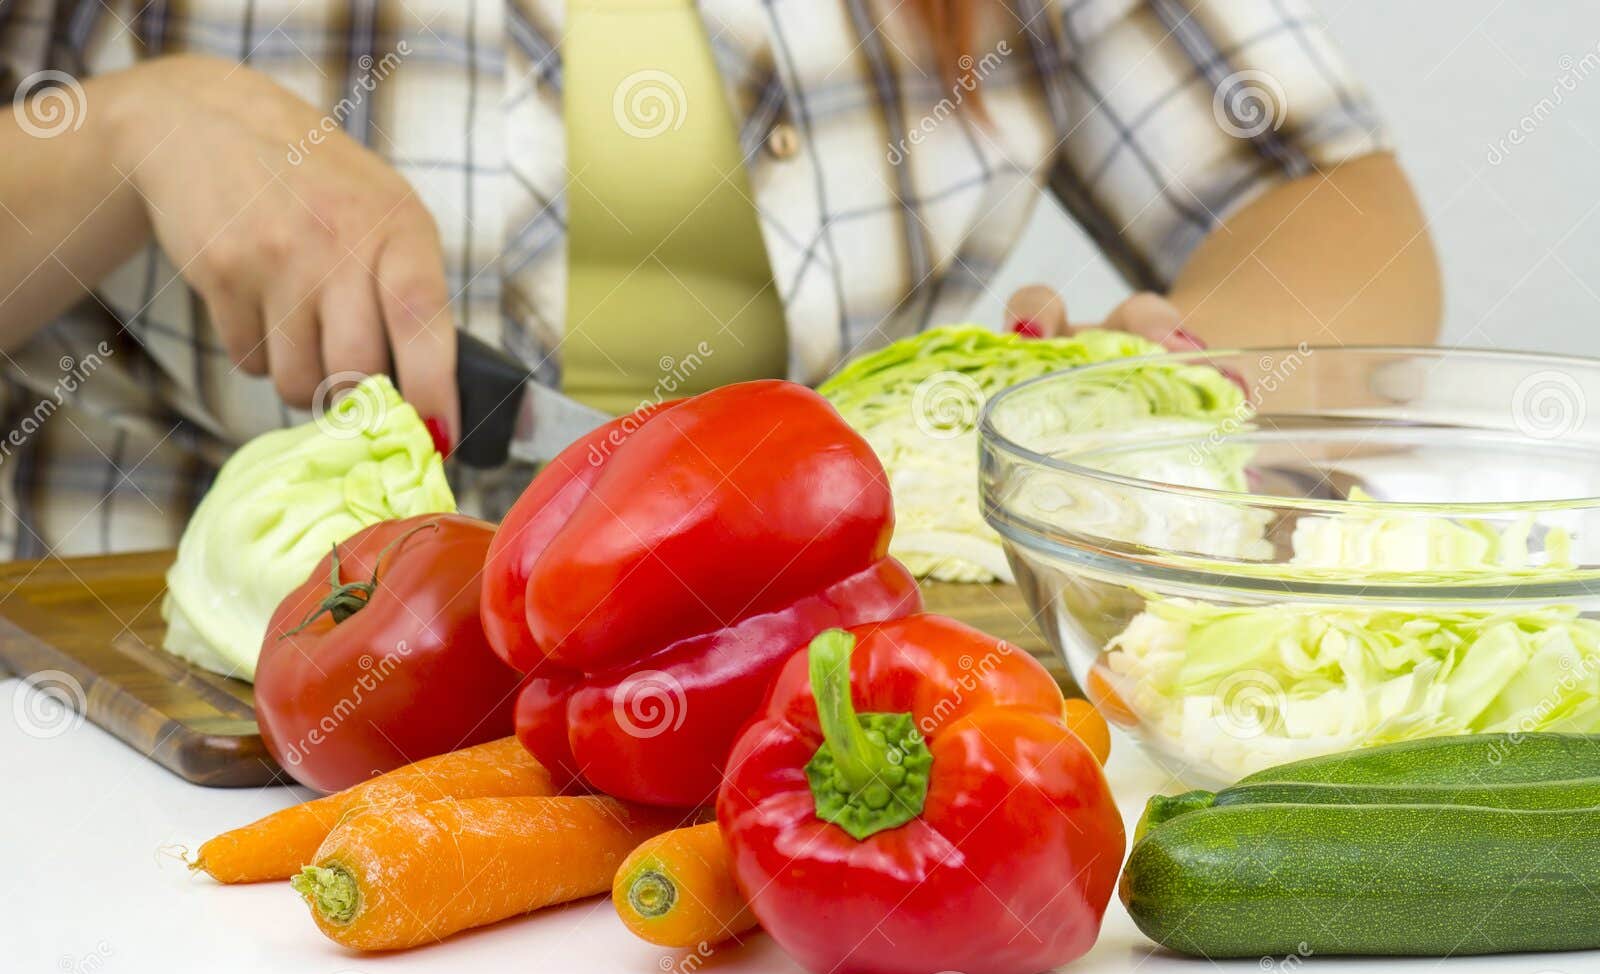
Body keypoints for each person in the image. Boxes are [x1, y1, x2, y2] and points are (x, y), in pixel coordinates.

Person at [0, 0, 1439, 558]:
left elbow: (1320, 195)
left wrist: (1191, 380)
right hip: (155, 781)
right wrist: (120, 132)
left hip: (811, 743)